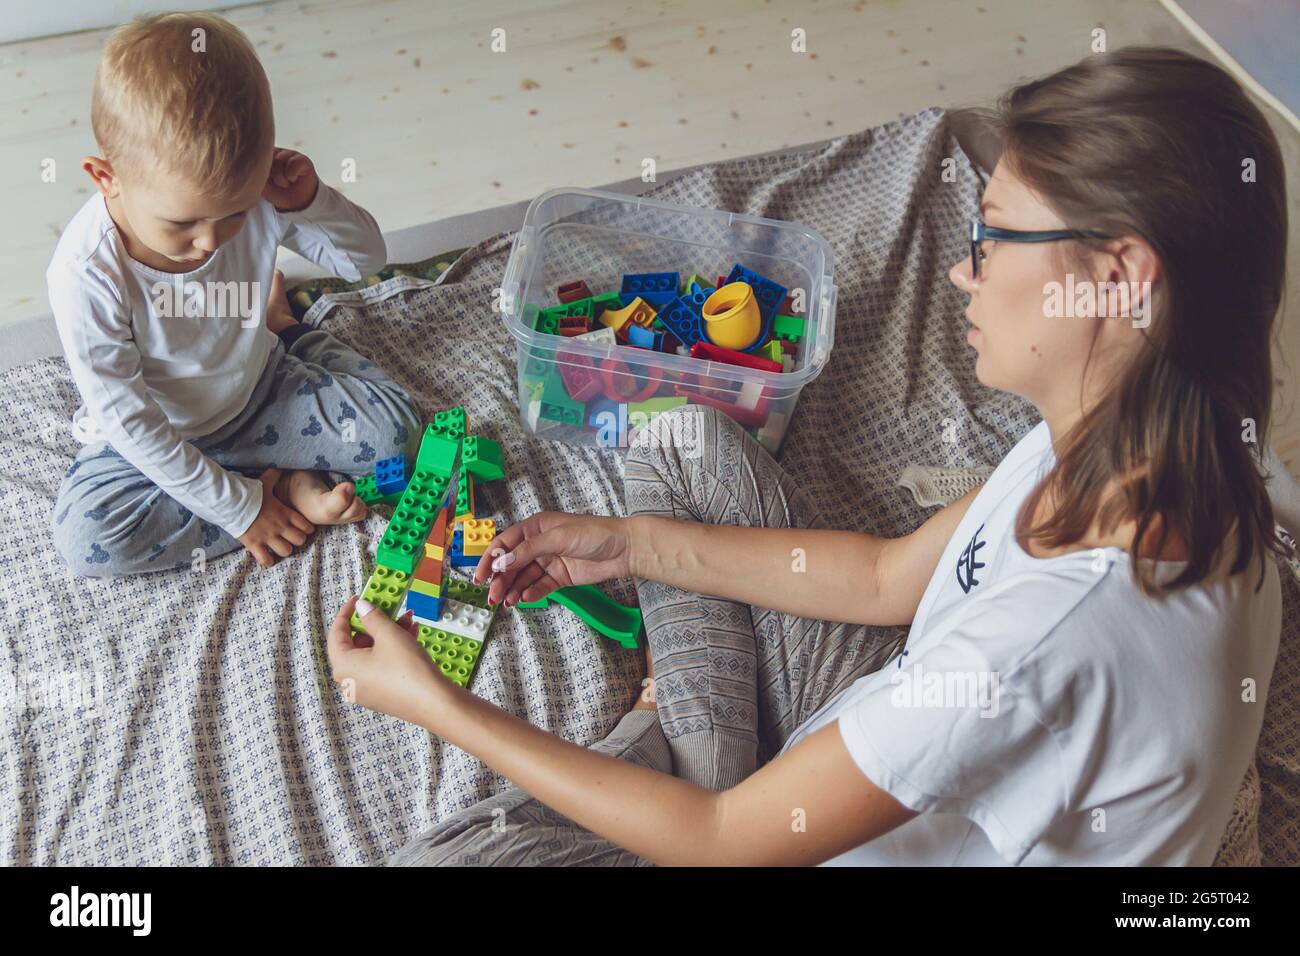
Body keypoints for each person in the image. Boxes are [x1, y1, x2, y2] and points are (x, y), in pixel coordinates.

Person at [330, 46, 1290, 865]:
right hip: (870, 721)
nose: (964, 267)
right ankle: (691, 740)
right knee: (677, 430)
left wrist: (434, 704)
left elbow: (717, 839)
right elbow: (884, 580)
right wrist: (631, 546)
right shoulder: (1143, 433)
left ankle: (671, 743)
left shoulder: (1046, 642)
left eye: (994, 238)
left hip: (797, 825)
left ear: (1117, 280)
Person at [48, 12, 419, 575]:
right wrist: (243, 510)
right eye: (183, 222)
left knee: (401, 434)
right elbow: (128, 421)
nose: (209, 242)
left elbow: (362, 262)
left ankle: (289, 328)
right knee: (88, 540)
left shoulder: (259, 200)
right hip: (158, 435)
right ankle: (281, 483)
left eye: (236, 214)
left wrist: (311, 201)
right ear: (107, 177)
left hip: (259, 392)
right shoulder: (84, 271)